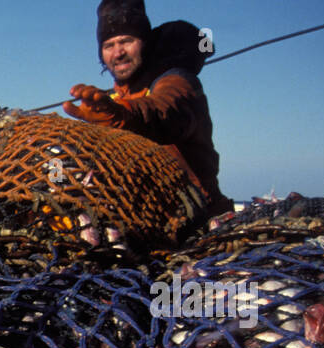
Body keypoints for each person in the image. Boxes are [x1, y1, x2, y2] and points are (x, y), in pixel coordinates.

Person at [64, 0, 233, 216]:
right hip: (138, 215)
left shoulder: (176, 82)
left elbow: (163, 112)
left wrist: (122, 116)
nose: (118, 53)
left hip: (197, 216)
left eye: (127, 41)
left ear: (145, 43)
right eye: (109, 46)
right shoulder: (108, 100)